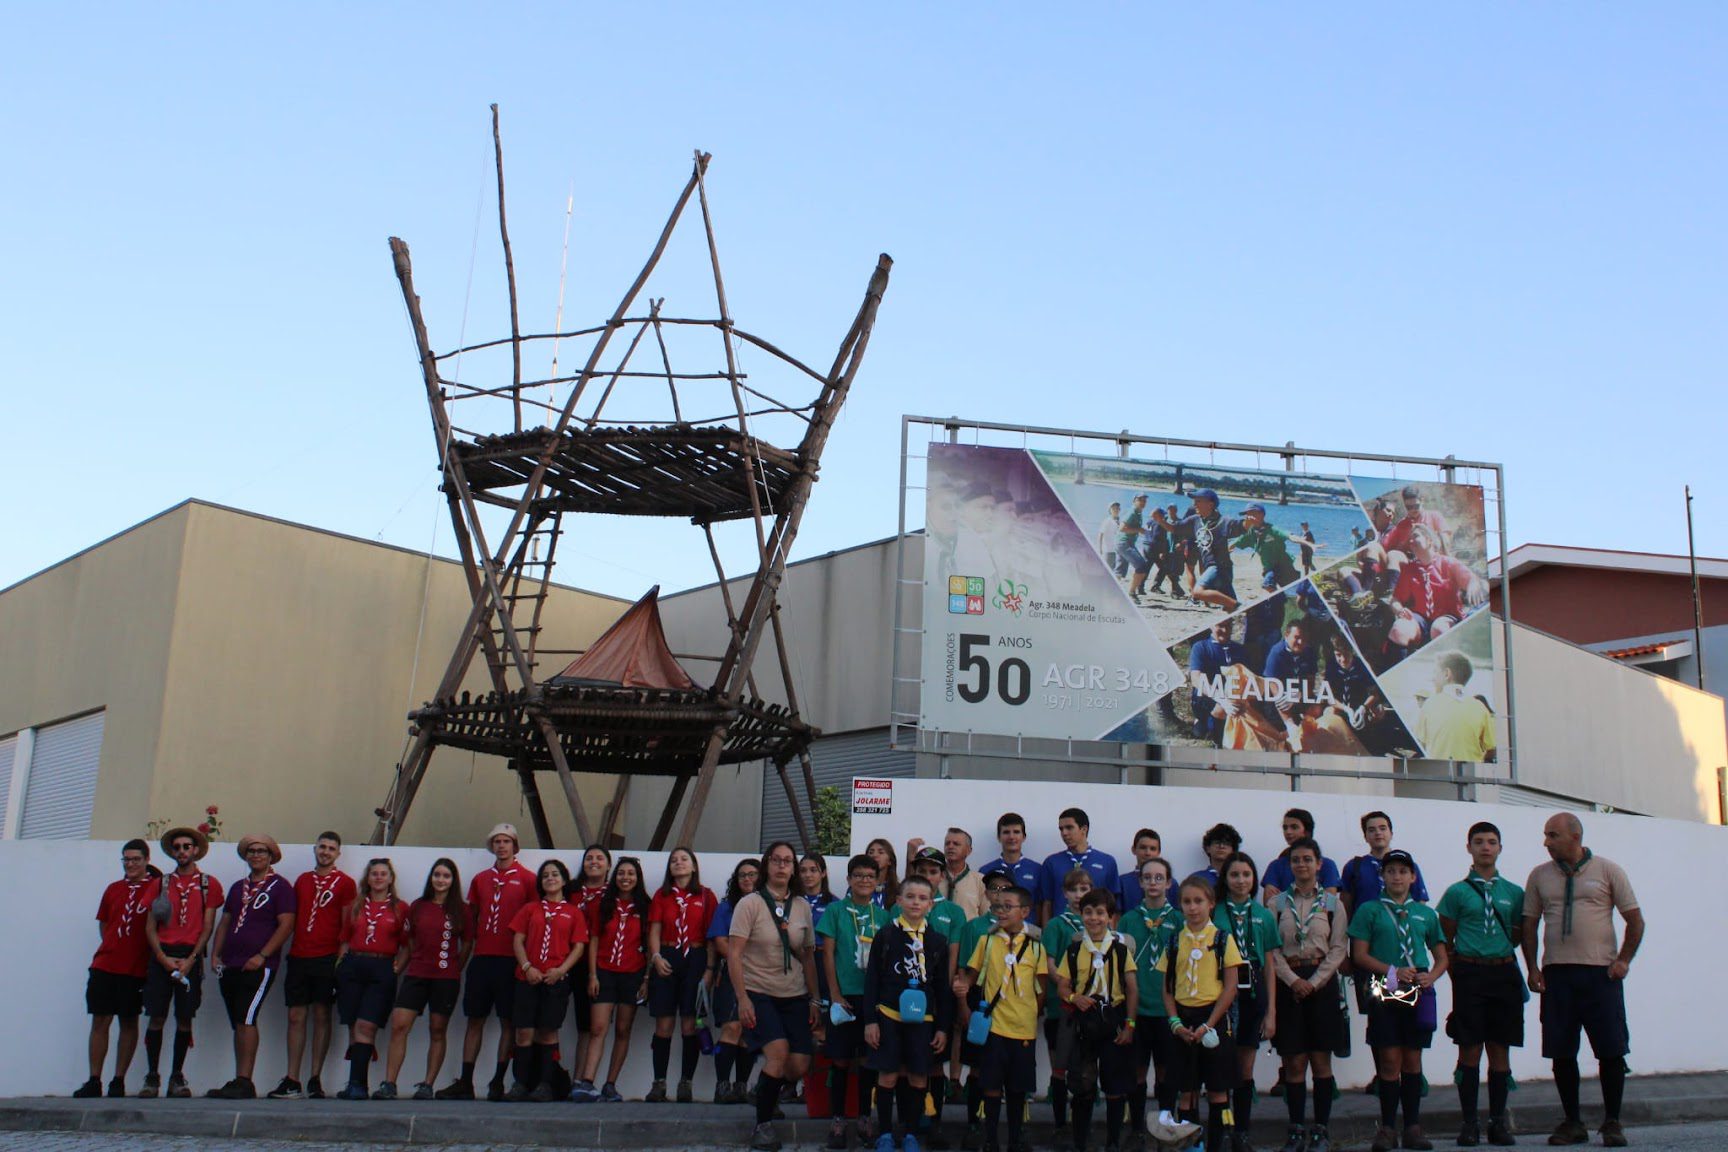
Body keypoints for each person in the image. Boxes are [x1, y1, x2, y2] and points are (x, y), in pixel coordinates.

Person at [1520, 813, 1643, 1148]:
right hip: (1558, 974)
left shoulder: (1608, 870)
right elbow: (1529, 924)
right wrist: (1532, 968)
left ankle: (1613, 1121)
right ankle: (1572, 1122)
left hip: (1600, 974)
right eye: (1546, 835)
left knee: (1611, 1049)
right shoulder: (1540, 875)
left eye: (1553, 835)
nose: (1546, 842)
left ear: (1574, 837)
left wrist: (1623, 961)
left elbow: (1635, 920)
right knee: (1561, 1051)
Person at [1348, 849, 1448, 1152]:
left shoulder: (1425, 914)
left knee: (1413, 1058)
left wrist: (1432, 976)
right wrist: (1392, 970)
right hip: (1385, 984)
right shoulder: (1370, 910)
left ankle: (1413, 1127)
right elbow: (1359, 955)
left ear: (1413, 877)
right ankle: (1388, 1127)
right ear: (1383, 876)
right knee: (1389, 1059)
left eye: (1403, 871)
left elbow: (1442, 956)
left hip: (1417, 987)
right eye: (1391, 871)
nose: (1397, 877)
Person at [1436, 822, 1524, 1147]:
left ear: (1500, 847)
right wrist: (1457, 972)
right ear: (1468, 847)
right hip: (1469, 974)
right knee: (1470, 1048)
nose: (1485, 847)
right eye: (1478, 842)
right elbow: (1444, 937)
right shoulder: (1456, 892)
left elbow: (1517, 934)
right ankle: (1469, 1123)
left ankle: (1497, 1123)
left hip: (1503, 973)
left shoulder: (1513, 892)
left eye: (1491, 842)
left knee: (1500, 1048)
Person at [732, 841, 822, 1152]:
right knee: (778, 1054)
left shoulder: (802, 906)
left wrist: (815, 999)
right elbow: (734, 953)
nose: (782, 866)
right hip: (759, 991)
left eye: (788, 861)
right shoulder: (750, 904)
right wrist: (742, 998)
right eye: (776, 860)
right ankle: (763, 1124)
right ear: (766, 865)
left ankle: (764, 1090)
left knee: (798, 1065)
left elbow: (808, 956)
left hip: (794, 993)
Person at [440, 823, 536, 1101]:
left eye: (506, 841)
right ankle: (466, 1081)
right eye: (497, 842)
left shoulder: (528, 879)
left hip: (511, 960)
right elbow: (471, 919)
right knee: (475, 1019)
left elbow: (533, 919)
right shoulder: (480, 879)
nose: (502, 846)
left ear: (515, 846)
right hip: (482, 958)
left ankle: (498, 1080)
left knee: (509, 1022)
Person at [864, 873, 954, 1152]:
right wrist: (870, 1021)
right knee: (888, 1075)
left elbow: (942, 988)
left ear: (931, 905)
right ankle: (885, 1134)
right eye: (910, 897)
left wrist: (942, 1027)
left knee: (918, 1075)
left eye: (923, 898)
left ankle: (912, 1134)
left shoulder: (937, 941)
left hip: (923, 1020)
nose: (916, 902)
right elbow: (872, 981)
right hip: (889, 1016)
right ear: (899, 900)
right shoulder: (886, 935)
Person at [1270, 838, 1349, 1152]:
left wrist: (1314, 982)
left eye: (1307, 859)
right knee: (1294, 1061)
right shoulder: (1276, 904)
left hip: (1321, 983)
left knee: (1320, 1061)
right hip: (1289, 983)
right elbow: (1272, 949)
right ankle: (1295, 1129)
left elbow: (1338, 947)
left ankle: (1321, 1129)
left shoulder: (1332, 904)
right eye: (1296, 860)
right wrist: (1292, 980)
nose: (1301, 865)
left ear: (1319, 864)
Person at [957, 884, 1045, 1152]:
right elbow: (969, 978)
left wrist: (1029, 1013)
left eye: (1008, 907)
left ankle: (1015, 1139)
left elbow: (1041, 988)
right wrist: (963, 1003)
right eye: (998, 907)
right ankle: (991, 1139)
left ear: (1025, 911)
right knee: (991, 1085)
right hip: (993, 1027)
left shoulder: (1036, 946)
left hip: (1023, 1028)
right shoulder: (987, 941)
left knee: (1017, 1088)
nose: (1002, 911)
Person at [207, 834, 296, 1100]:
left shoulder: (281, 887)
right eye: (252, 851)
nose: (256, 855)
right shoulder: (238, 887)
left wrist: (262, 954)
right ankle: (239, 1078)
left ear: (270, 856)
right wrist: (215, 954)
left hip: (259, 964)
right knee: (239, 1020)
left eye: (261, 851)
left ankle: (245, 1080)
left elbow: (286, 924)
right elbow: (226, 922)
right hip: (231, 963)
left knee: (247, 1017)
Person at [1159, 875, 1244, 1152]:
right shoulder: (1174, 941)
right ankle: (1191, 1146)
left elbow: (1230, 987)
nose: (1192, 907)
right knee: (1187, 1091)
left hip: (1214, 1019)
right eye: (1187, 902)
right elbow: (1167, 989)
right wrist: (1175, 1023)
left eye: (1198, 901)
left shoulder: (1222, 939)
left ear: (1211, 904)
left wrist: (1209, 1024)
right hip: (1183, 1021)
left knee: (1218, 1090)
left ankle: (1217, 1145)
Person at [1119, 857, 1198, 1151]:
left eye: (1159, 878)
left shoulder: (1178, 919)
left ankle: (1165, 1127)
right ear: (1140, 882)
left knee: (1166, 1071)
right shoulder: (1129, 920)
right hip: (1138, 1008)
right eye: (1147, 877)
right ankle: (1137, 1129)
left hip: (1168, 1010)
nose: (1153, 883)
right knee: (1137, 1071)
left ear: (1169, 883)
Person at [140, 826, 223, 1099]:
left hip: (190, 956)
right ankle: (152, 1076)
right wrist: (162, 958)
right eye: (177, 847)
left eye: (187, 846)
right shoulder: (160, 883)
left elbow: (207, 927)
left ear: (196, 850)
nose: (182, 851)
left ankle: (177, 1075)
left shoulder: (208, 884)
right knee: (156, 1015)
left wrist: (191, 960)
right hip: (162, 955)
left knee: (185, 1016)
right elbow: (150, 927)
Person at [273, 830, 356, 1100]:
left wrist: (340, 959)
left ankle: (315, 1078)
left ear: (338, 853)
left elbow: (347, 924)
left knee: (322, 1015)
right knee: (295, 1016)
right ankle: (292, 1078)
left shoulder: (346, 883)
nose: (326, 852)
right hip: (299, 955)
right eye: (322, 847)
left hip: (327, 957)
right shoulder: (303, 880)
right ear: (315, 849)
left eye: (331, 848)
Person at [77, 838, 162, 1098]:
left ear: (146, 860)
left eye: (136, 859)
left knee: (128, 1020)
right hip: (105, 964)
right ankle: (94, 1079)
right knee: (100, 1019)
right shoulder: (113, 889)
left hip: (135, 967)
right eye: (127, 859)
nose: (131, 864)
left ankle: (118, 1079)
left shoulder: (156, 889)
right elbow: (104, 923)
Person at [1053, 889, 1136, 1152]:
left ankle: (1113, 1142)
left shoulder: (1120, 950)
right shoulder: (1074, 950)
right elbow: (1062, 986)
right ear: (1081, 915)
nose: (1094, 918)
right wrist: (1074, 997)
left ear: (1111, 918)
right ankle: (1081, 1142)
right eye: (1088, 912)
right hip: (1084, 1022)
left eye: (1100, 913)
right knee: (1082, 1083)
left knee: (1114, 1084)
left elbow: (1132, 989)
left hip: (1113, 1018)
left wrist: (1130, 1025)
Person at [822, 855, 894, 1149]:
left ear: (878, 881)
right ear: (849, 879)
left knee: (868, 1061)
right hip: (844, 996)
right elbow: (827, 954)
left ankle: (864, 1117)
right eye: (859, 875)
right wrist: (834, 993)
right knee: (840, 1060)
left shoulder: (884, 916)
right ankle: (837, 1120)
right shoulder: (835, 910)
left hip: (872, 999)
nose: (864, 880)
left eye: (870, 876)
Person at [382, 858, 468, 1101]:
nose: (441, 880)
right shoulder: (418, 906)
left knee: (437, 1029)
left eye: (446, 876)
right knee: (399, 1025)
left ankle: (427, 1084)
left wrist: (454, 968)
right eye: (437, 875)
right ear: (431, 878)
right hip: (417, 974)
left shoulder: (461, 909)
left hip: (446, 979)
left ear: (453, 880)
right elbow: (409, 939)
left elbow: (467, 944)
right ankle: (389, 1083)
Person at [505, 858, 588, 1102]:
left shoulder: (573, 913)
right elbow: (518, 940)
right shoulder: (530, 909)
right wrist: (527, 967)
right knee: (523, 1032)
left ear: (564, 880)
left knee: (548, 1032)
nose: (550, 879)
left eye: (555, 874)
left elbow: (579, 947)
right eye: (545, 876)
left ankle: (545, 1084)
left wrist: (561, 970)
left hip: (555, 980)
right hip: (528, 977)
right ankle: (520, 1083)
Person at [906, 846, 971, 1140]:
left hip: (937, 995)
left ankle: (933, 1122)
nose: (927, 876)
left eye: (933, 871)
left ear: (942, 875)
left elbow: (954, 955)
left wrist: (945, 995)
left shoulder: (953, 912)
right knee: (908, 1060)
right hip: (906, 996)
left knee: (934, 1061)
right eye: (921, 871)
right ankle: (910, 1120)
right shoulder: (900, 907)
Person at [574, 856, 651, 1103]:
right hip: (604, 972)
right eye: (621, 873)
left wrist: (646, 979)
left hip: (633, 973)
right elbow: (594, 940)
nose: (625, 878)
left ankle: (610, 1084)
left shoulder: (645, 906)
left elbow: (651, 945)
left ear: (637, 878)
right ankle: (587, 1082)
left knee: (623, 1029)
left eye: (631, 873)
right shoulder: (603, 904)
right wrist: (592, 974)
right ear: (614, 876)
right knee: (598, 1027)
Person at [1216, 853, 1279, 1147]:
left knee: (1245, 1065)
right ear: (1225, 879)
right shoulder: (1214, 912)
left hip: (1253, 992)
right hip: (1221, 990)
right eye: (1234, 875)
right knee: (1220, 1062)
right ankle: (1221, 1128)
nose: (1240, 880)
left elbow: (1269, 965)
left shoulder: (1263, 915)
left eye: (1246, 874)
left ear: (1254, 879)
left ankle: (1241, 1132)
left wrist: (1271, 1011)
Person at [333, 857, 409, 1101]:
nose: (378, 877)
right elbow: (344, 939)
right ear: (367, 878)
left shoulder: (400, 908)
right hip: (354, 966)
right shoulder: (355, 905)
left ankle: (358, 1084)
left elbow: (408, 944)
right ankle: (357, 1084)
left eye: (383, 874)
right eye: (374, 873)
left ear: (390, 878)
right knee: (353, 1025)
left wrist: (397, 968)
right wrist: (340, 967)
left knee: (366, 1025)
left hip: (381, 968)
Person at [646, 847, 717, 1104]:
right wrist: (656, 957)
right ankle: (659, 1083)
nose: (679, 863)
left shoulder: (706, 896)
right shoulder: (662, 895)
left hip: (695, 958)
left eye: (684, 859)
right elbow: (654, 930)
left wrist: (709, 970)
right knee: (664, 1024)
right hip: (667, 956)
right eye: (674, 860)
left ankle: (686, 1082)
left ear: (694, 866)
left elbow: (712, 937)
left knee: (689, 1024)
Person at [1042, 867, 1092, 1134]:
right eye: (1073, 889)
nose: (1078, 894)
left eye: (1084, 889)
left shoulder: (1096, 923)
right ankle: (1060, 1124)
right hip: (1059, 1004)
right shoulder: (1056, 925)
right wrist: (1066, 987)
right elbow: (1049, 962)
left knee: (1085, 1065)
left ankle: (1081, 1124)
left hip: (1089, 1004)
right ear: (1064, 893)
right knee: (1059, 1064)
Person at [708, 857, 762, 1103]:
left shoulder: (768, 905)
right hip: (731, 973)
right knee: (731, 1027)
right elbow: (720, 941)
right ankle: (722, 1086)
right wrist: (741, 959)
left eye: (752, 874)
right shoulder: (726, 907)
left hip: (761, 975)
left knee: (748, 1031)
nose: (747, 879)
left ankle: (741, 1086)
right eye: (742, 875)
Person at [1388, 526, 1487, 652]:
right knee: (1399, 630)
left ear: (1429, 540)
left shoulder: (1449, 563)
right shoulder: (1409, 570)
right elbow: (1395, 599)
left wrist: (1472, 584)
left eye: (1415, 536)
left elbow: (1472, 580)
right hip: (1421, 620)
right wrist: (1399, 610)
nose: (1411, 541)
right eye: (1410, 539)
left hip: (1448, 618)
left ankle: (1448, 661)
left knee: (1439, 628)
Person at [1149, 489, 1250, 611]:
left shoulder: (1223, 521)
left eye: (1198, 501)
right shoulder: (1195, 520)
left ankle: (1240, 606)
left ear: (1210, 504)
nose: (1194, 504)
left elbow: (1241, 527)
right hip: (1216, 569)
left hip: (1218, 567)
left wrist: (1249, 520)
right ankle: (1241, 610)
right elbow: (1175, 528)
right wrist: (1160, 520)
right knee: (1230, 608)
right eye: (1194, 501)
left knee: (1198, 592)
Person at [569, 844, 612, 1089]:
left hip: (596, 965)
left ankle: (579, 1080)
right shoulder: (571, 891)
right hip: (565, 962)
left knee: (588, 1026)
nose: (594, 862)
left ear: (608, 865)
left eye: (599, 858)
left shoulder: (614, 894)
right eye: (589, 858)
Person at [1039, 808, 1119, 925]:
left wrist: (1111, 932)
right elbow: (1047, 903)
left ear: (1084, 829)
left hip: (1096, 928)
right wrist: (1047, 933)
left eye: (1069, 828)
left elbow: (1113, 904)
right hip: (1062, 929)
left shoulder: (1107, 861)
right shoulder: (1051, 862)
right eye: (1061, 829)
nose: (1064, 833)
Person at [1414, 652, 1496, 762]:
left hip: (1438, 770)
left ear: (1447, 674)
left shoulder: (1430, 704)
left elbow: (1420, 744)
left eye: (1435, 672)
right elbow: (1491, 749)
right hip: (1472, 771)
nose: (1433, 678)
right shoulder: (1480, 708)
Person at [1260, 810, 1343, 902]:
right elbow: (1269, 902)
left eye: (1294, 827)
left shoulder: (1327, 865)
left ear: (1307, 831)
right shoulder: (1276, 866)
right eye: (1285, 828)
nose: (1288, 832)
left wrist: (1288, 902)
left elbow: (1328, 903)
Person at [1187, 620, 1246, 746]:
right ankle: (1214, 737)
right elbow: (1196, 678)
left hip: (1231, 696)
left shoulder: (1239, 649)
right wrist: (1220, 698)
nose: (1225, 630)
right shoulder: (1201, 647)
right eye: (1220, 626)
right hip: (1207, 697)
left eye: (1228, 626)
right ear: (1211, 625)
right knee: (1218, 713)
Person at [978, 814, 1043, 916]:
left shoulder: (1037, 869)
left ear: (1024, 837)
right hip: (995, 925)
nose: (1011, 837)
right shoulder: (985, 870)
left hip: (1029, 925)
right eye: (1006, 832)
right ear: (999, 837)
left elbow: (1041, 905)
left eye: (1016, 832)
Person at [1232, 504, 1301, 592]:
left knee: (1294, 591)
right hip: (1269, 567)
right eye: (1247, 515)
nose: (1249, 517)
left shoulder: (1271, 529)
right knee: (1268, 585)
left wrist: (1308, 544)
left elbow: (1289, 536)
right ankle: (1279, 597)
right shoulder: (1251, 532)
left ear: (1262, 514)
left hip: (1285, 566)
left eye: (1252, 514)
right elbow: (1234, 543)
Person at [1380, 487, 1450, 559]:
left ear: (1422, 501)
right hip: (1412, 561)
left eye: (1416, 506)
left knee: (1442, 536)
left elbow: (1445, 539)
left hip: (1435, 557)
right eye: (1409, 507)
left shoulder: (1434, 516)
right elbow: (1386, 545)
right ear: (1405, 505)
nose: (1413, 510)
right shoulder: (1402, 525)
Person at [1116, 829, 1161, 919]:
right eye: (1143, 847)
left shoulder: (1169, 883)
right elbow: (1117, 916)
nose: (1148, 853)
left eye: (1152, 849)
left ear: (1158, 852)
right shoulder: (1122, 882)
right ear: (1134, 850)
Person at [1189, 824, 1241, 888]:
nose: (1221, 846)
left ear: (1233, 850)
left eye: (1227, 843)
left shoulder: (1240, 879)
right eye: (1217, 842)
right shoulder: (1196, 879)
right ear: (1208, 848)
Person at [868, 839, 904, 911]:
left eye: (881, 852)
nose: (874, 855)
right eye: (871, 852)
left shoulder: (898, 889)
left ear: (890, 861)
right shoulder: (859, 886)